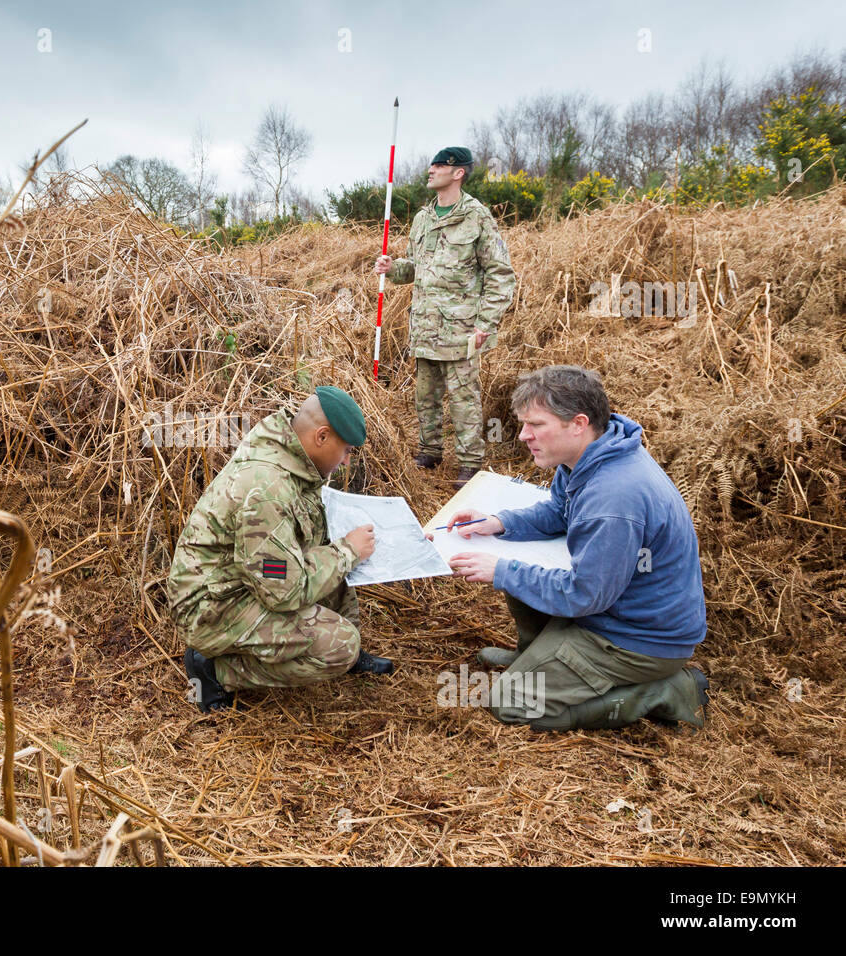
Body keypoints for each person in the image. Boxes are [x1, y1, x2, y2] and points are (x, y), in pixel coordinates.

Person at [440, 365, 710, 731]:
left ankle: (668, 690)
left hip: (639, 639)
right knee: (516, 551)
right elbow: (558, 511)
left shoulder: (614, 496)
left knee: (510, 702)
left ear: (578, 423)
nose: (523, 435)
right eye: (523, 424)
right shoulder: (587, 456)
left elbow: (586, 594)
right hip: (615, 608)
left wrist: (501, 570)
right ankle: (534, 655)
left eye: (536, 425)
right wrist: (501, 523)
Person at [166, 387, 392, 713]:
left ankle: (351, 657)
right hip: (210, 607)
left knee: (330, 557)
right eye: (345, 451)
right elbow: (284, 593)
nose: (345, 462)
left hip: (242, 579)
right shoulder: (267, 489)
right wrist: (346, 552)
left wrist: (342, 551)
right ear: (322, 436)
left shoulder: (290, 454)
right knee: (340, 644)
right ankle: (213, 670)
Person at [374, 146, 515, 490]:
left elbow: (501, 273)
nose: (431, 169)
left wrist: (485, 323)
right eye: (432, 163)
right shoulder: (423, 218)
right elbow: (417, 268)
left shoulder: (476, 216)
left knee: (464, 397)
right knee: (426, 396)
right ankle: (430, 449)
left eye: (440, 165)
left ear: (458, 173)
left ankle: (469, 462)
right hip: (425, 326)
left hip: (462, 328)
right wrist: (394, 269)